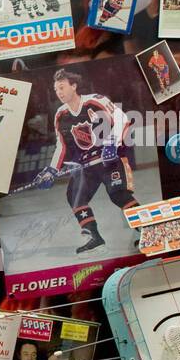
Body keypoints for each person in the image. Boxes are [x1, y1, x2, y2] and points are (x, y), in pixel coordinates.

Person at [31, 69, 138, 254]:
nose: (59, 92)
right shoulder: (60, 114)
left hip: (110, 159)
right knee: (74, 196)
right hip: (87, 165)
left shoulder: (96, 100)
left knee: (118, 194)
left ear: (74, 86)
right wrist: (51, 170)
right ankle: (94, 238)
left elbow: (123, 120)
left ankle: (147, 229)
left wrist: (112, 143)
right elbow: (62, 146)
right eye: (56, 89)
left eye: (62, 87)